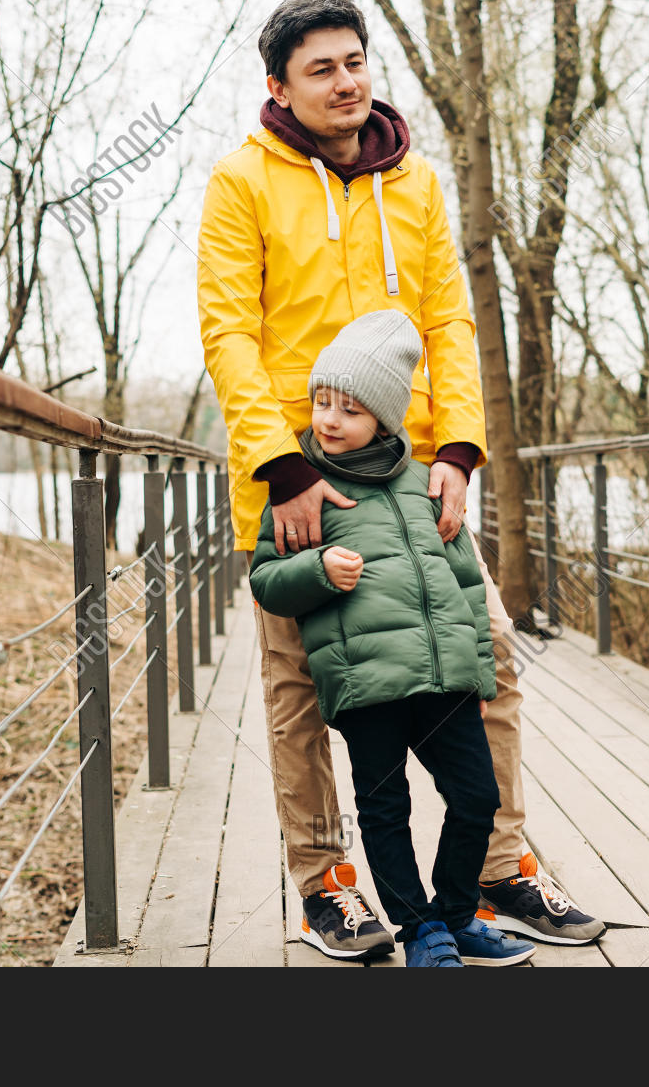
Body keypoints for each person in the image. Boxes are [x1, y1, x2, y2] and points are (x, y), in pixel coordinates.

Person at [197, 0, 603, 962]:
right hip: (294, 489)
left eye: (354, 61)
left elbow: (451, 324)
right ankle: (326, 884)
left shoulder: (413, 183)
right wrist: (283, 466)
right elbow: (230, 335)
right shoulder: (241, 182)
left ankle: (501, 867)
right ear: (280, 88)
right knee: (302, 694)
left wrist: (460, 450)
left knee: (490, 663)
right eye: (321, 69)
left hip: (417, 485)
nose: (345, 82)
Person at [249, 311, 539, 967]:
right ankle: (420, 931)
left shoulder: (426, 483)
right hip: (366, 684)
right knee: (386, 810)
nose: (327, 419)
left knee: (478, 797)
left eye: (348, 408)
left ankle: (458, 913)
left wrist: (480, 680)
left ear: (384, 417)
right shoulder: (299, 490)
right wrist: (318, 571)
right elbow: (267, 579)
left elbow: (465, 586)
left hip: (445, 684)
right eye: (322, 401)